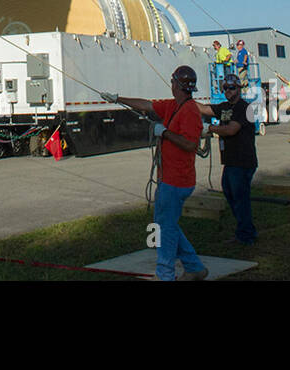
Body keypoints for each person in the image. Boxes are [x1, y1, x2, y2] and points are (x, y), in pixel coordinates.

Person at [103, 67, 208, 281]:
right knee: (165, 224)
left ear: (177, 85)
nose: (171, 85)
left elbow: (190, 144)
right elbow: (147, 105)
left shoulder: (189, 111)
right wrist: (117, 98)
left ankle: (165, 274)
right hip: (168, 178)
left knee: (165, 230)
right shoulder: (173, 106)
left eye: (172, 82)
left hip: (177, 180)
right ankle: (194, 267)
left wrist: (166, 133)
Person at [200, 76, 258, 245]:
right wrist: (187, 101)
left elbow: (232, 130)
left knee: (240, 198)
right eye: (225, 88)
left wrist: (209, 128)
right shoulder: (224, 107)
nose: (227, 91)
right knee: (230, 193)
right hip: (231, 161)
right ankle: (244, 231)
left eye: (231, 88)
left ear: (239, 88)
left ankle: (246, 235)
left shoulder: (243, 108)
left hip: (243, 161)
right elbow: (204, 109)